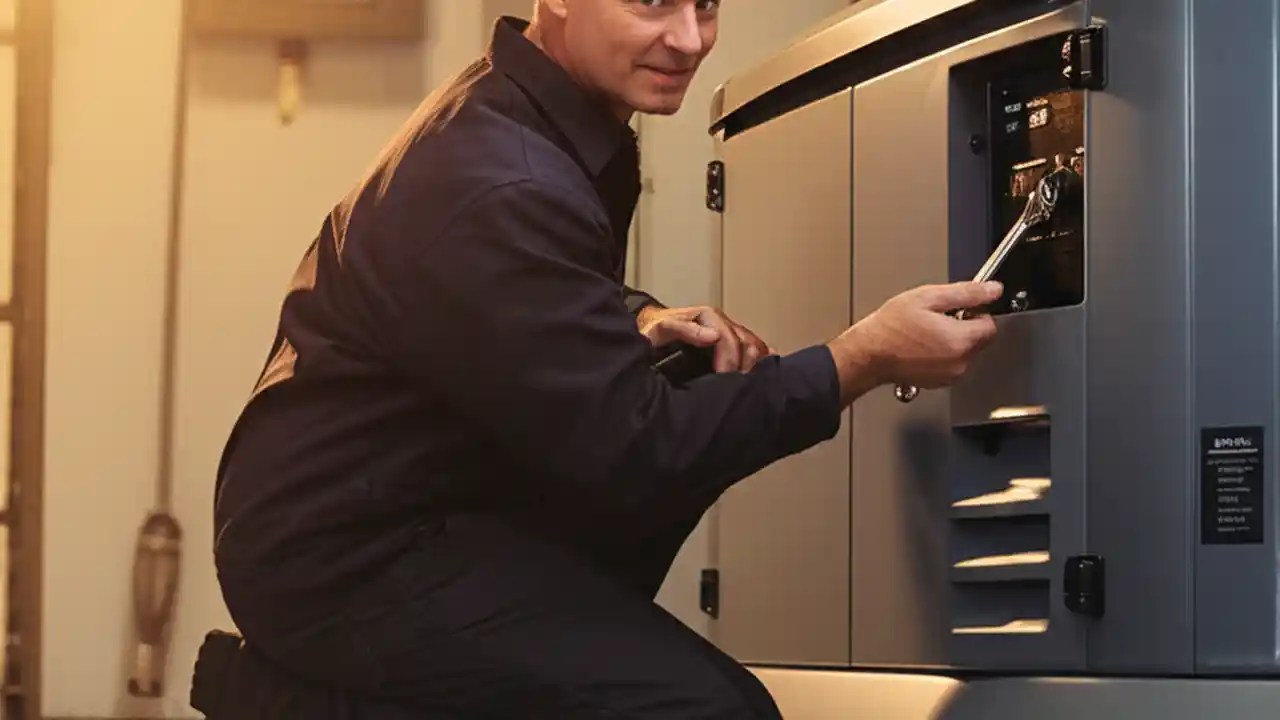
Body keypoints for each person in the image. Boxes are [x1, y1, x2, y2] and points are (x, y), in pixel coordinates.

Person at [211, 1, 1002, 717]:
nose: (689, 40)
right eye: (653, 2)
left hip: (405, 507)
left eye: (707, 5)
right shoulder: (499, 174)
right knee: (708, 710)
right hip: (347, 556)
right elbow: (637, 449)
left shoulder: (526, 115)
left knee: (692, 372)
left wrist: (640, 316)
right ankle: (296, 700)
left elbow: (520, 292)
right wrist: (859, 358)